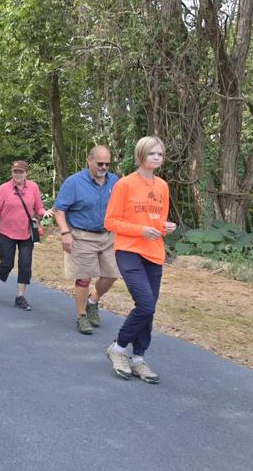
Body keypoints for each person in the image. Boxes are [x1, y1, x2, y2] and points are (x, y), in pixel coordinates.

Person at [104, 136, 175, 384]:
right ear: (140, 155)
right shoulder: (125, 184)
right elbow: (110, 222)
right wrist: (141, 230)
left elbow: (157, 221)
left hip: (154, 252)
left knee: (149, 310)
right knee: (145, 304)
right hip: (129, 250)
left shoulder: (163, 186)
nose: (156, 158)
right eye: (152, 153)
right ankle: (119, 347)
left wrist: (165, 227)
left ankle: (138, 358)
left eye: (160, 154)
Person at [53, 146, 120, 335]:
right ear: (88, 161)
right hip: (81, 235)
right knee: (84, 277)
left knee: (112, 274)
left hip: (108, 235)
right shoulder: (74, 182)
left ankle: (93, 301)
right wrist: (65, 232)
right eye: (100, 163)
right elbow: (59, 210)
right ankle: (82, 316)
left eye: (107, 163)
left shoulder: (114, 181)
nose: (104, 167)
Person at [0, 160, 51, 311]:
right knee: (7, 264)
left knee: (25, 264)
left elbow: (39, 207)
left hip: (26, 233)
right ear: (12, 173)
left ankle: (20, 297)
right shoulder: (4, 188)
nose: (18, 174)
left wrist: (44, 213)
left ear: (26, 173)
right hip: (7, 232)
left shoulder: (33, 187)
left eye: (21, 172)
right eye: (15, 172)